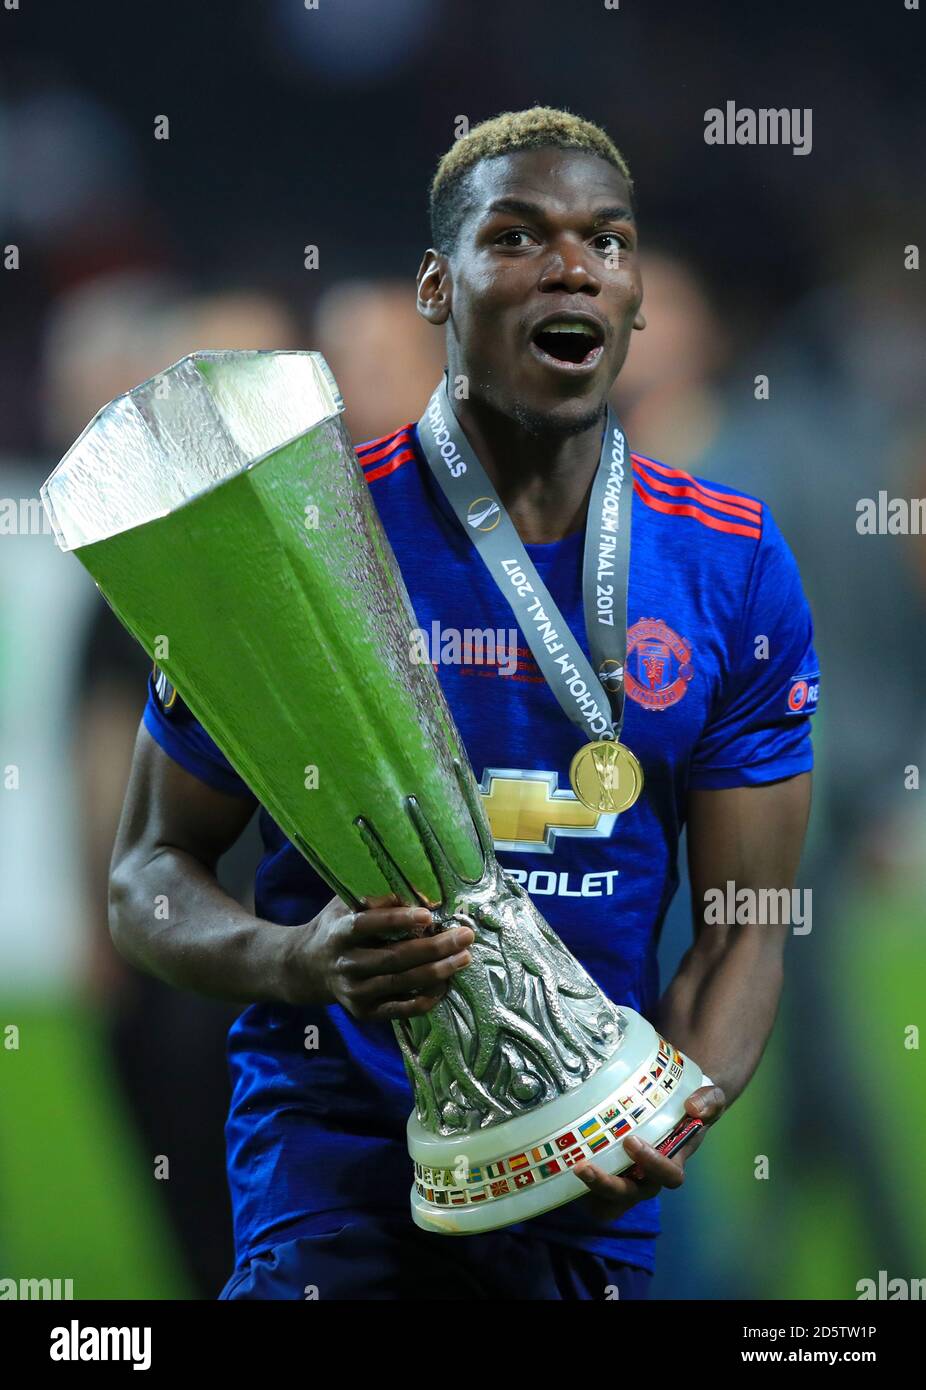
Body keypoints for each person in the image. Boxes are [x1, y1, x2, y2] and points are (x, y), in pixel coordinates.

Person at [109, 107, 817, 1300]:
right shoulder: (306, 544)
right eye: (518, 235)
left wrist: (667, 1104)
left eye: (606, 238)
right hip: (329, 1171)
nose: (572, 266)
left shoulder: (729, 563)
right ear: (438, 288)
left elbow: (745, 918)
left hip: (587, 1179)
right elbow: (148, 870)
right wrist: (297, 959)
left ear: (636, 293)